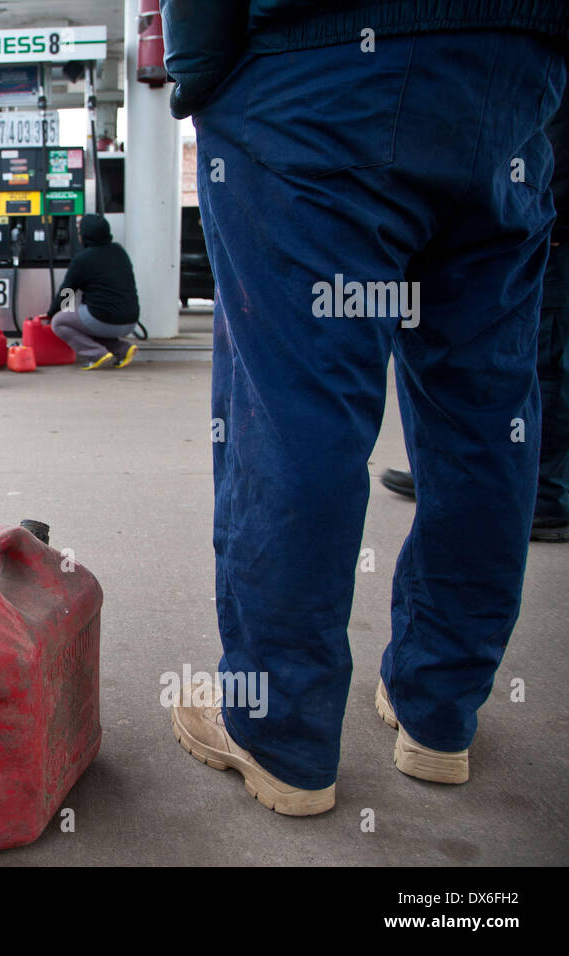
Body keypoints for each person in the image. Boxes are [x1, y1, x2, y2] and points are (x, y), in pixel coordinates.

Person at [161, 0, 568, 815]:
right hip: (511, 69)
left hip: (312, 67)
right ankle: (438, 714)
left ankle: (281, 736)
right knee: (484, 413)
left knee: (294, 408)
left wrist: (200, 76)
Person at [381, 97, 569, 544]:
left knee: (539, 361)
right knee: (469, 357)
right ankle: (449, 467)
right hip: (518, 194)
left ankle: (546, 493)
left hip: (547, 217)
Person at [45, 214, 141, 370]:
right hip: (130, 321)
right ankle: (122, 349)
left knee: (60, 322)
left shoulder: (83, 259)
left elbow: (68, 290)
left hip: (105, 320)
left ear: (85, 234)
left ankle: (96, 354)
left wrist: (52, 313)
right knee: (87, 318)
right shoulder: (119, 251)